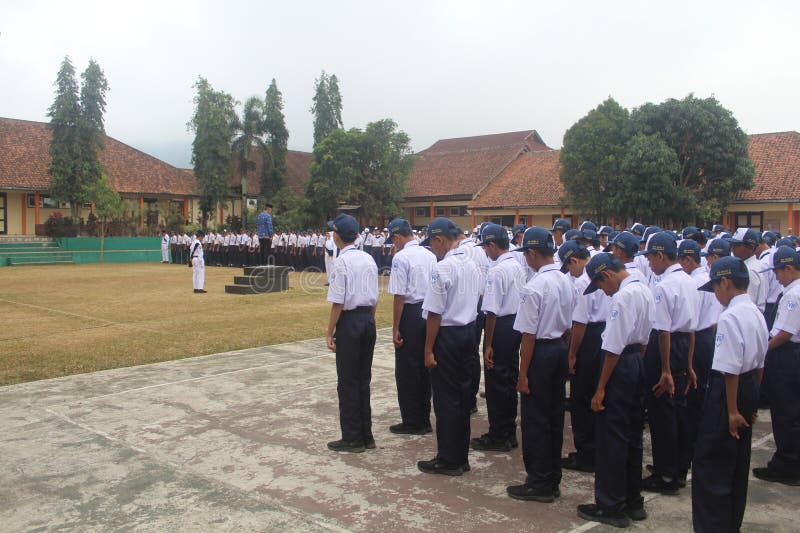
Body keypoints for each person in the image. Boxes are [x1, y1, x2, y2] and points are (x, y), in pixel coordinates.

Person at [575, 253, 654, 528]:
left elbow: (612, 347)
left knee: (611, 438)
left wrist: (600, 388)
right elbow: (644, 339)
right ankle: (633, 500)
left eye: (600, 287)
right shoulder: (644, 288)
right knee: (633, 435)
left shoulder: (622, 297)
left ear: (606, 275)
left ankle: (610, 504)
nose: (604, 293)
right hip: (636, 362)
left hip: (618, 366)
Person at [692, 256, 767, 532]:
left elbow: (729, 369)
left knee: (712, 466)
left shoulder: (730, 316)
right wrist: (751, 403)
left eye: (715, 287)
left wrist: (732, 410)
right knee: (736, 467)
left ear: (725, 282)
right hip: (748, 388)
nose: (715, 294)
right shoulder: (755, 312)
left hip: (728, 393)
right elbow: (760, 363)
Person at [507, 227, 574, 502]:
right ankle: (551, 477)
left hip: (541, 354)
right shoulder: (565, 280)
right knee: (554, 418)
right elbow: (569, 325)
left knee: (535, 421)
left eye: (526, 253)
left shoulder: (534, 286)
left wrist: (523, 375)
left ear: (532, 253)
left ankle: (538, 482)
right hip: (558, 348)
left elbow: (528, 335)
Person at [417, 217, 482, 476]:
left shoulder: (443, 268)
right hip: (468, 332)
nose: (432, 249)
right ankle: (460, 456)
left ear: (440, 239)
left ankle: (448, 459)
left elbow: (434, 312)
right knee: (463, 398)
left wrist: (428, 349)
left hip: (448, 336)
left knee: (446, 400)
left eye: (432, 243)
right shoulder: (473, 264)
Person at [638, 232, 698, 494]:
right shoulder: (688, 280)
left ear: (660, 255)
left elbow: (663, 331)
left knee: (663, 412)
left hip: (667, 348)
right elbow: (691, 329)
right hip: (683, 345)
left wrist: (664, 370)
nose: (649, 263)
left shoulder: (664, 287)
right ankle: (677, 467)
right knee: (679, 411)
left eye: (650, 257)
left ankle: (665, 474)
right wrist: (689, 363)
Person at [325, 214, 379, 453]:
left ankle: (352, 437)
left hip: (350, 321)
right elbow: (375, 297)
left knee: (347, 381)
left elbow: (338, 301)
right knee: (363, 381)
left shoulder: (341, 262)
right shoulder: (369, 259)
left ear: (337, 236)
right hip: (367, 319)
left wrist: (330, 332)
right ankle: (366, 435)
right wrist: (370, 321)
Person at [470, 223, 526, 452]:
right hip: (515, 325)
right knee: (509, 380)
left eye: (486, 247)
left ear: (493, 245)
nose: (485, 251)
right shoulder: (517, 265)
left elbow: (491, 310)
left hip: (500, 327)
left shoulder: (497, 270)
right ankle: (508, 431)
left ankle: (498, 434)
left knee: (496, 383)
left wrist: (489, 343)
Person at [560, 240, 611, 473]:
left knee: (582, 397)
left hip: (589, 337)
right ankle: (597, 449)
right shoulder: (605, 271)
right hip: (606, 334)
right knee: (598, 394)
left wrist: (572, 354)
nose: (570, 272)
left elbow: (579, 323)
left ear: (574, 261)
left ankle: (586, 453)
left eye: (569, 267)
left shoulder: (583, 282)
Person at [752, 245, 800, 485]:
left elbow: (785, 332)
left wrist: (762, 349)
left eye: (779, 272)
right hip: (792, 354)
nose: (777, 277)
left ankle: (787, 464)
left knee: (785, 412)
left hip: (788, 355)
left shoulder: (792, 294)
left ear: (789, 269)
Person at [387, 218, 437, 435]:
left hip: (411, 313)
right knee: (424, 368)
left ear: (398, 237)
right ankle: (424, 417)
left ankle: (412, 420)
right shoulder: (430, 254)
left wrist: (395, 327)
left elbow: (400, 296)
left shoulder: (401, 257)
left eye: (393, 240)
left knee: (407, 369)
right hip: (429, 312)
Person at [729, 227, 766, 312]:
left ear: (750, 247)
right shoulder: (753, 265)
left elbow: (746, 304)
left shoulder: (749, 270)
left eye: (737, 245)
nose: (732, 249)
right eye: (732, 245)